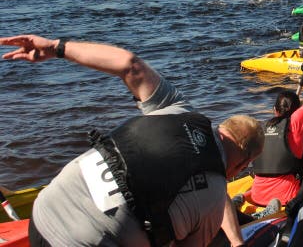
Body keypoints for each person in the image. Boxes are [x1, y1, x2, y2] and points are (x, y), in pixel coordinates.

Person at [0, 34, 264, 247]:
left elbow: (129, 64)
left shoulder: (178, 107)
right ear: (243, 165)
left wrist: (56, 48)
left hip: (45, 212)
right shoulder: (215, 202)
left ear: (221, 128)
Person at [250, 65, 303, 210]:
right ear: (298, 109)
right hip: (287, 197)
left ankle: (241, 199)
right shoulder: (296, 120)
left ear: (274, 110)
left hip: (256, 195)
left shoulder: (261, 127)